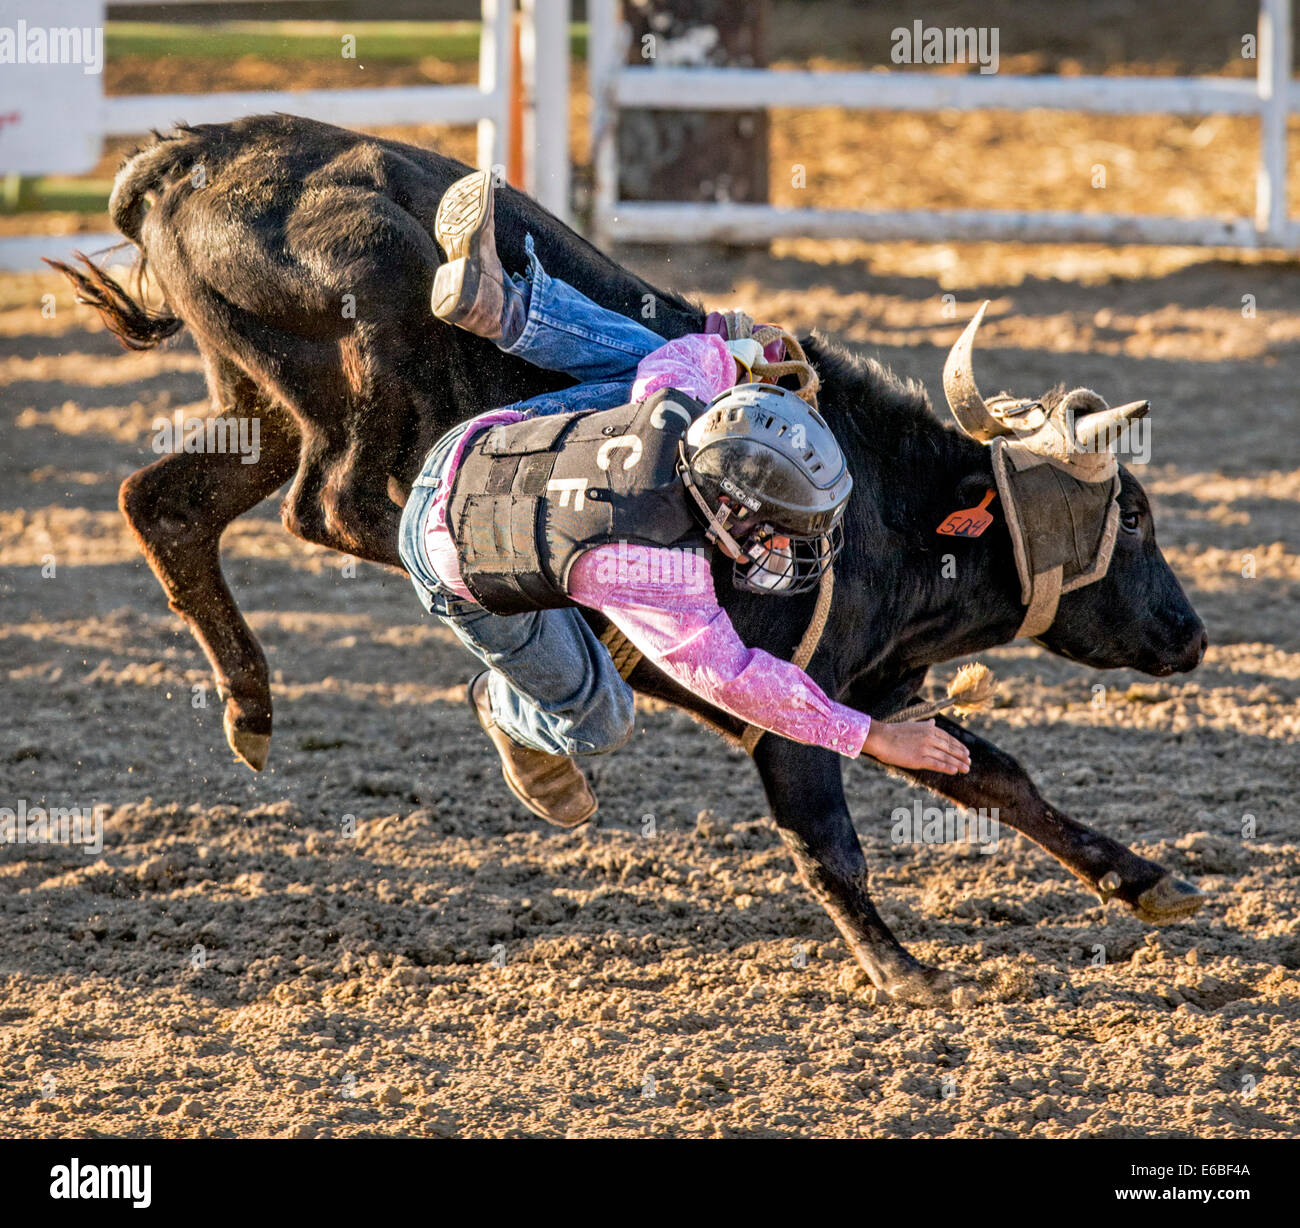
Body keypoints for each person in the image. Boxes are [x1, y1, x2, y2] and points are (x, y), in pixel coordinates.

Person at [398, 170, 970, 828]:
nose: (786, 545)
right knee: (601, 719)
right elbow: (747, 684)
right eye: (777, 529)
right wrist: (873, 736)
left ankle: (505, 306)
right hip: (443, 553)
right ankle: (502, 708)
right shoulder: (665, 576)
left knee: (649, 353)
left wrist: (750, 350)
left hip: (470, 448)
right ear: (726, 509)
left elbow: (702, 350)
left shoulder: (676, 398)